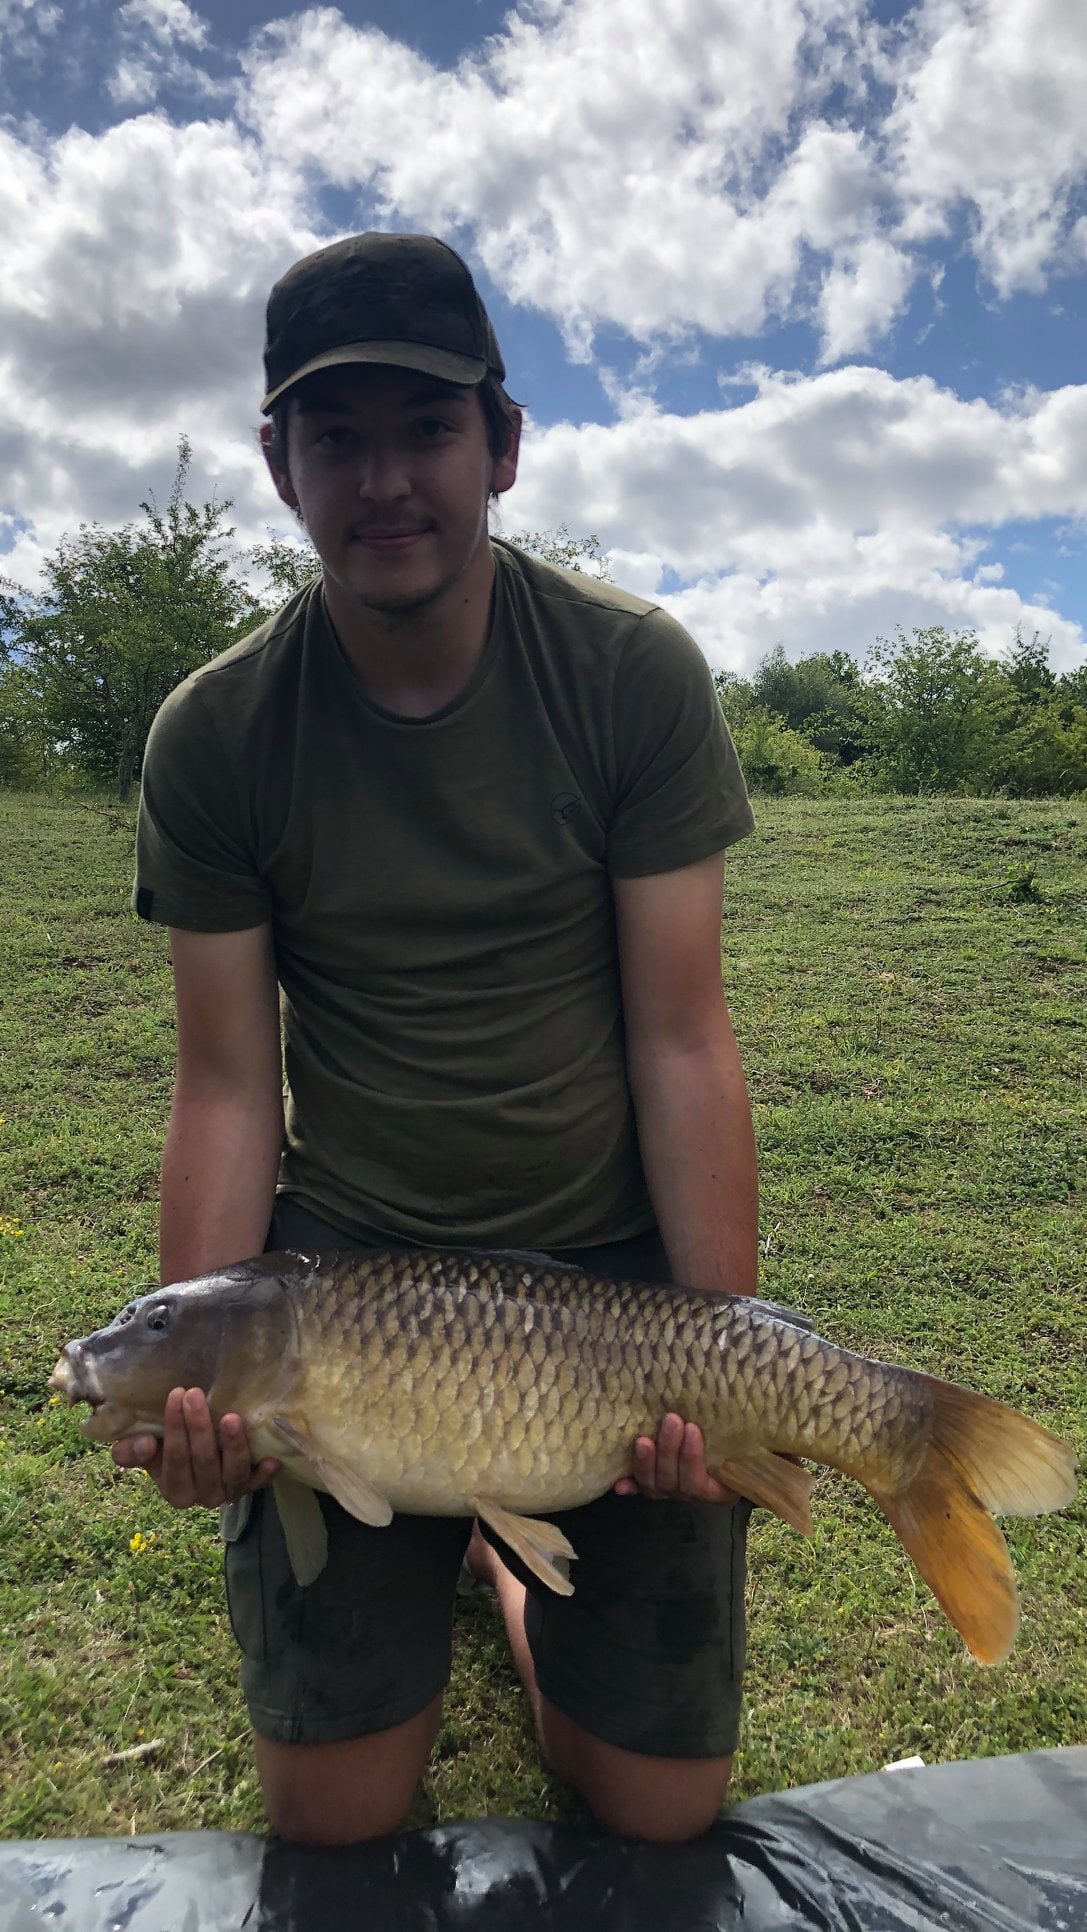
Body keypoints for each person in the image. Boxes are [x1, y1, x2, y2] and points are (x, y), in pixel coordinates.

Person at [115, 232, 759, 1846]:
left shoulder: (631, 676)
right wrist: (205, 1369)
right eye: (338, 437)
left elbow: (683, 1040)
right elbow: (221, 1080)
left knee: (653, 1813)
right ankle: (467, 1508)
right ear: (279, 465)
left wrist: (721, 1353)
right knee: (334, 1826)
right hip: (348, 1277)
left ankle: (505, 1562)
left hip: (603, 1267)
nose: (384, 479)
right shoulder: (217, 733)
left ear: (504, 446)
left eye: (426, 429)